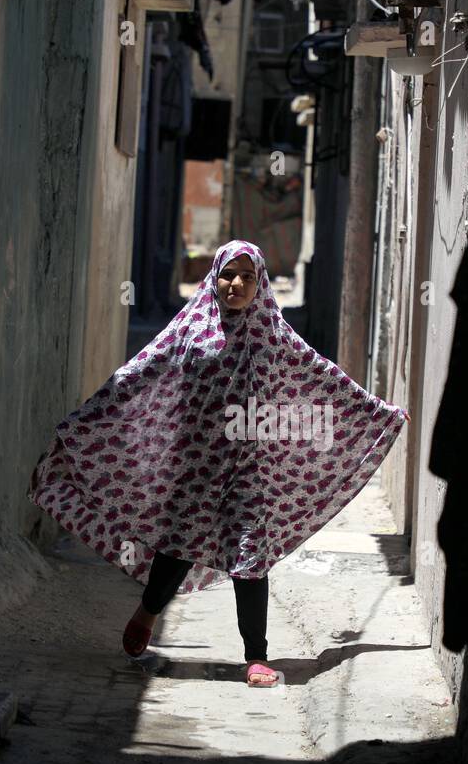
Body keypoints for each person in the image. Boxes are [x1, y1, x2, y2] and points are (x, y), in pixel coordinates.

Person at [29, 240, 409, 686]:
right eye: (229, 274)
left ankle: (256, 655)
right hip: (194, 468)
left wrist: (374, 412)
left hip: (250, 471)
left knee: (250, 553)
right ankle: (147, 614)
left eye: (248, 277)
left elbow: (321, 375)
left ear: (260, 283)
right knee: (177, 552)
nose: (237, 284)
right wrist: (84, 422)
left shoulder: (273, 334)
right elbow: (137, 374)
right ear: (214, 278)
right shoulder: (189, 330)